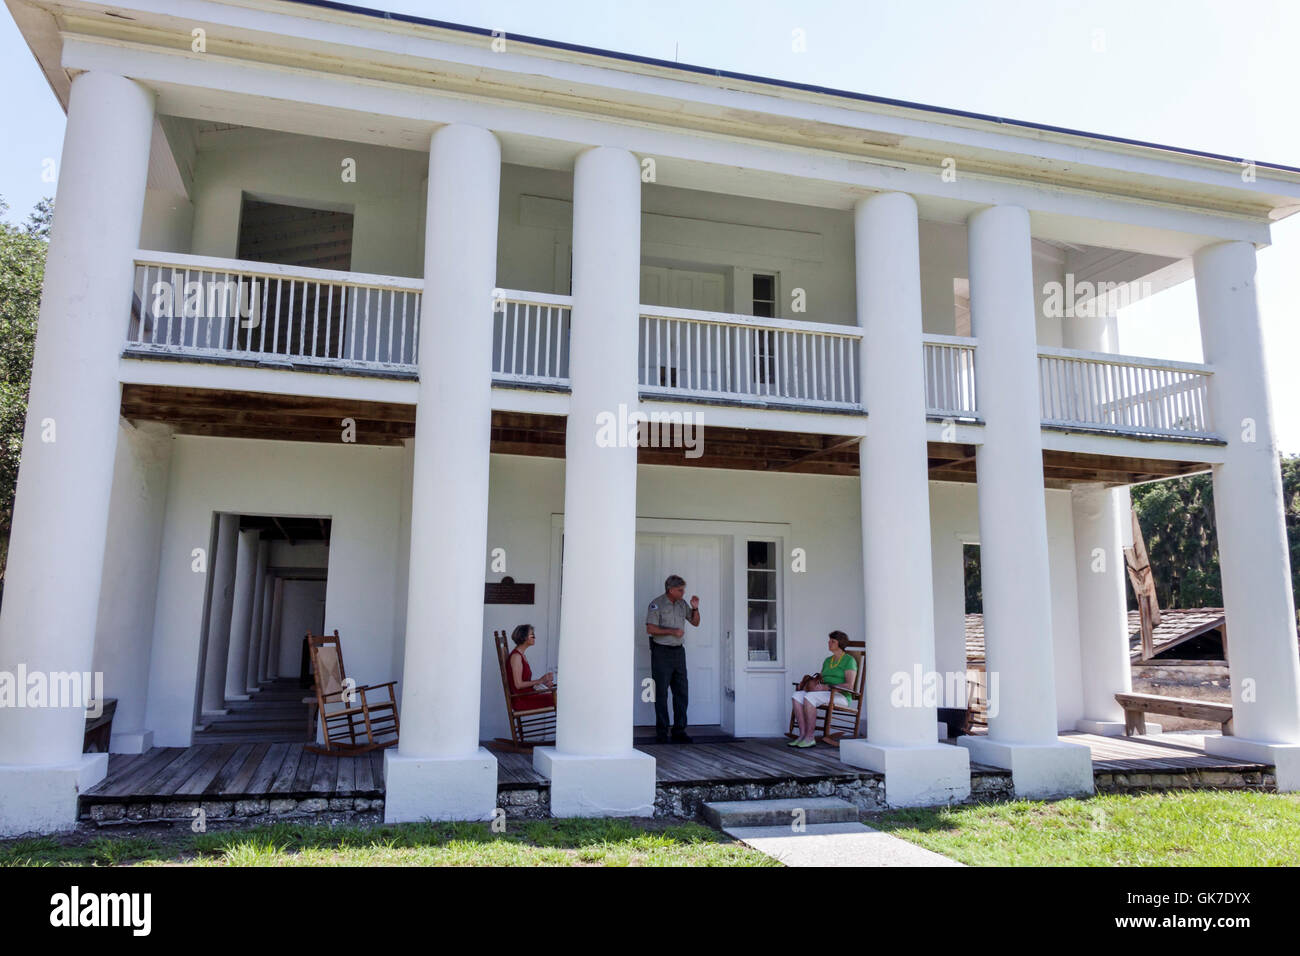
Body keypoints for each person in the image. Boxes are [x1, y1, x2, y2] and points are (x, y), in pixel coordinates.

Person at [645, 574, 700, 744]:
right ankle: (662, 732)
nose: (683, 592)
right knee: (661, 693)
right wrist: (671, 631)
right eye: (680, 590)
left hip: (678, 652)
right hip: (661, 652)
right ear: (670, 589)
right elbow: (650, 628)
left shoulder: (683, 604)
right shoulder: (657, 604)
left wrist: (695, 608)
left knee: (682, 692)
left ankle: (679, 731)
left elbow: (695, 622)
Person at [788, 630, 857, 748]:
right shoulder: (827, 660)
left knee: (810, 697)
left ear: (840, 643)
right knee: (797, 696)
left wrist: (828, 687)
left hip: (841, 696)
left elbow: (849, 686)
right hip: (826, 693)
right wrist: (814, 684)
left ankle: (810, 738)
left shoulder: (849, 660)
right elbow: (821, 678)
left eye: (832, 641)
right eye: (829, 640)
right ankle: (802, 735)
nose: (829, 643)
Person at [507, 623, 554, 710]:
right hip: (522, 700)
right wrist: (539, 681)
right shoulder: (516, 657)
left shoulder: (522, 655)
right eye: (532, 635)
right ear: (524, 637)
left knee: (557, 695)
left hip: (528, 695)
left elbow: (525, 683)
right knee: (558, 698)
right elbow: (518, 685)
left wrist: (542, 683)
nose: (534, 637)